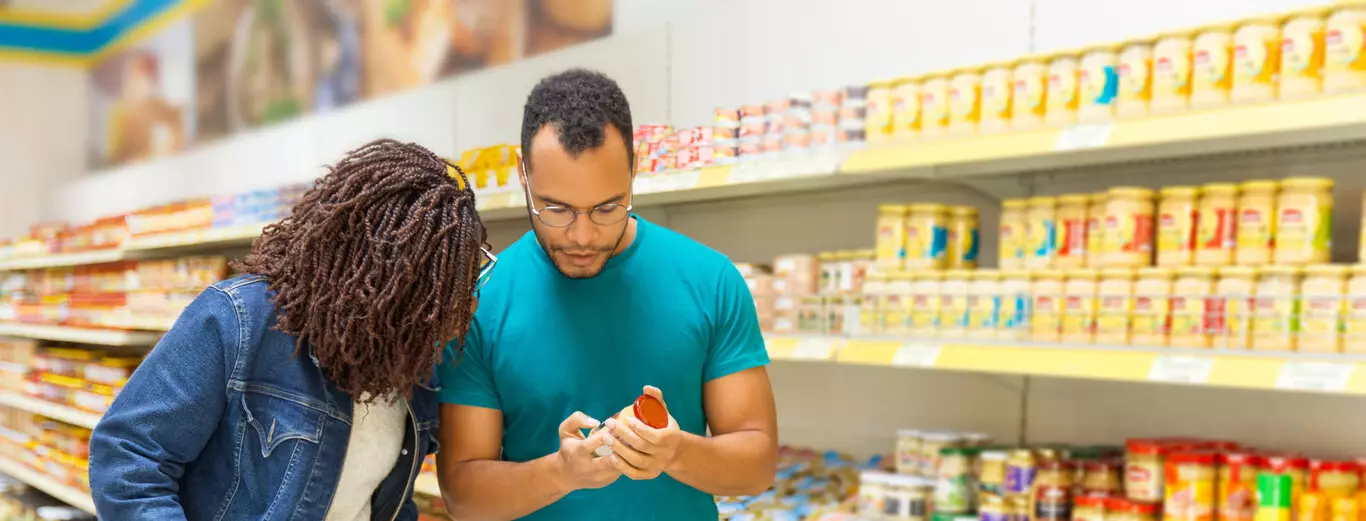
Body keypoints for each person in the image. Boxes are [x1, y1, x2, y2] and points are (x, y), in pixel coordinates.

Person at [89, 139, 496, 521]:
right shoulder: (237, 320)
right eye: (426, 292)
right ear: (373, 276)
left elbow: (387, 501)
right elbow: (129, 457)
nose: (441, 312)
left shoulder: (412, 359)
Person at [436, 69, 779, 520]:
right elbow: (462, 495)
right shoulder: (482, 301)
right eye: (555, 208)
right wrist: (560, 472)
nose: (582, 235)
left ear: (634, 171)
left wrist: (674, 453)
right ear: (523, 174)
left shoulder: (710, 280)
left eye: (607, 207)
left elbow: (757, 466)